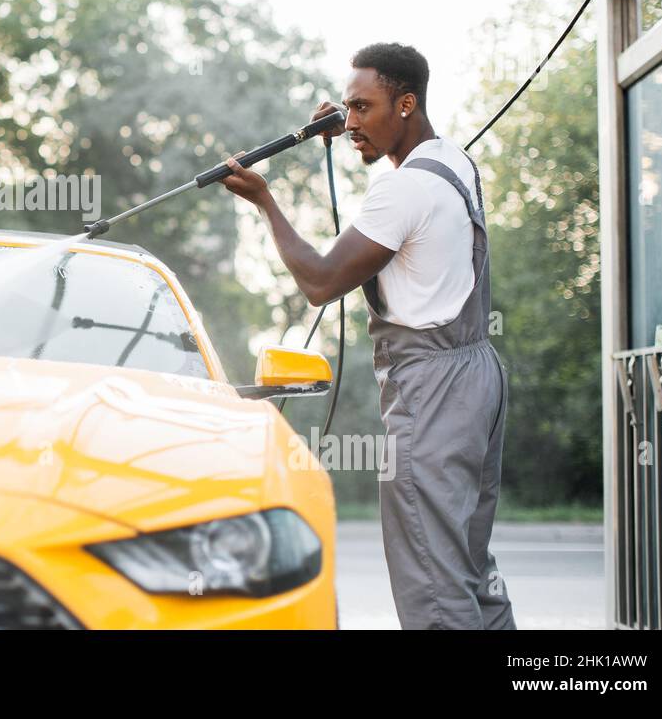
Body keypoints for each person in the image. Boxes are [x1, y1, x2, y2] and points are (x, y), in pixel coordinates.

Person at [220, 41, 516, 630]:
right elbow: (407, 198)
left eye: (362, 108)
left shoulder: (403, 189)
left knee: (433, 583)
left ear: (405, 104)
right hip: (477, 377)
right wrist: (354, 135)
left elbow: (321, 282)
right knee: (469, 571)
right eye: (346, 109)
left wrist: (265, 201)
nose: (349, 121)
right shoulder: (453, 162)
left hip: (431, 393)